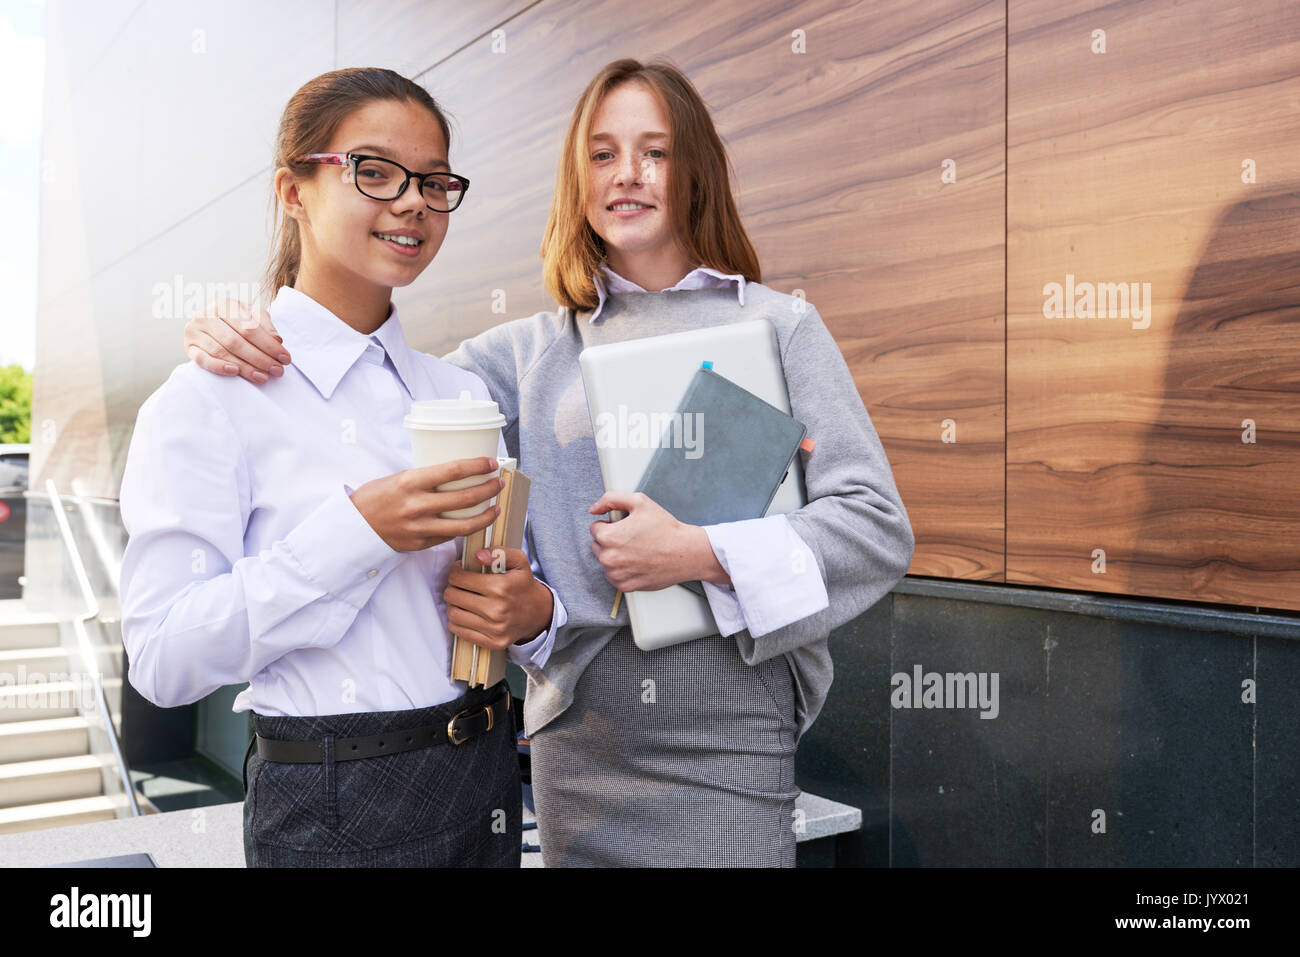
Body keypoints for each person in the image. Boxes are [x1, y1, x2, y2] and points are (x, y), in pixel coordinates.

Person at [182, 58, 914, 867]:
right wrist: (243, 322)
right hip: (580, 751)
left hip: (730, 747)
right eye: (602, 154)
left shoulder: (783, 330)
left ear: (694, 169)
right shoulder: (519, 357)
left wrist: (697, 553)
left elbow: (876, 529)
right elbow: (363, 379)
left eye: (655, 152)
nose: (627, 176)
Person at [120, 67, 566, 868]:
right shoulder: (210, 401)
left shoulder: (460, 392)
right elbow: (161, 659)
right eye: (374, 170)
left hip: (488, 776)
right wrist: (358, 532)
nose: (413, 202)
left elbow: (512, 615)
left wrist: (530, 613)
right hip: (334, 799)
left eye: (434, 181)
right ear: (294, 190)